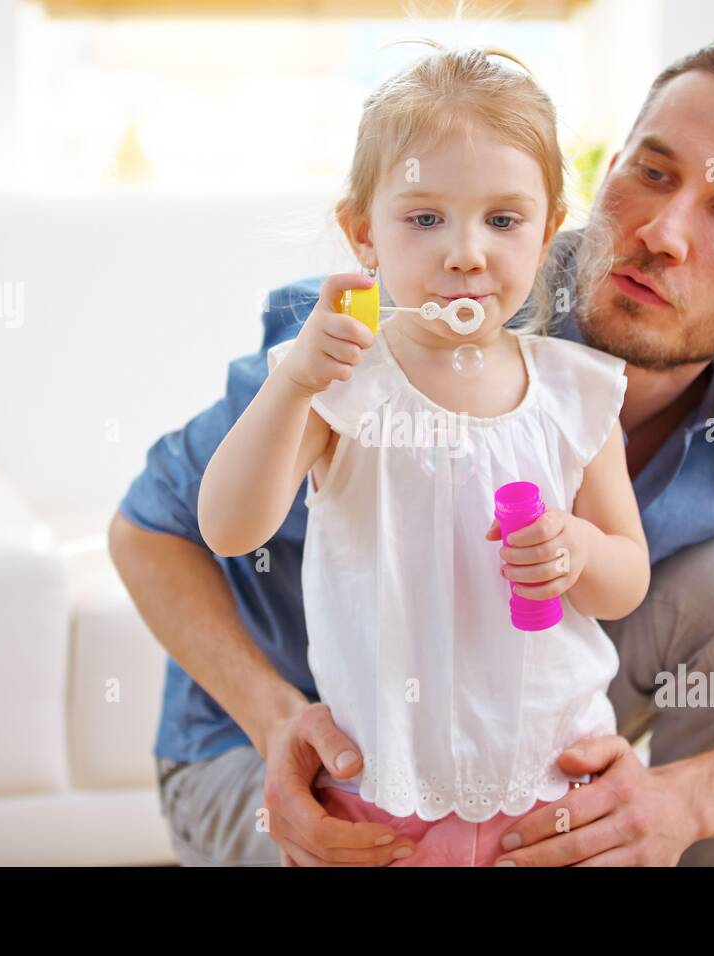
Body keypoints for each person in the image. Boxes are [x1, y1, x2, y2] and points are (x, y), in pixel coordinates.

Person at [109, 39, 714, 867]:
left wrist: (679, 803)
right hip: (303, 752)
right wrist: (274, 716)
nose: (663, 232)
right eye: (652, 171)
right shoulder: (353, 343)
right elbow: (151, 530)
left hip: (515, 754)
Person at [195, 43, 652, 867]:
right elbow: (228, 527)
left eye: (504, 220)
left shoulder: (574, 391)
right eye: (425, 217)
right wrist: (292, 382)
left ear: (550, 231)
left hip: (553, 777)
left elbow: (626, 580)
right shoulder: (345, 385)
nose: (466, 253)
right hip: (387, 782)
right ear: (363, 235)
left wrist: (578, 551)